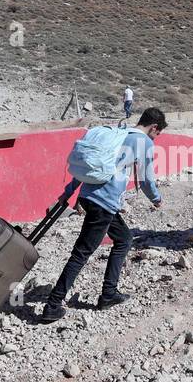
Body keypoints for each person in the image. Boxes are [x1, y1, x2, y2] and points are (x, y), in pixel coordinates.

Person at [39, 108, 165, 323]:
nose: (156, 137)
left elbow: (88, 166)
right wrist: (156, 198)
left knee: (124, 239)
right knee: (81, 253)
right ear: (154, 127)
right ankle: (53, 305)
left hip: (90, 197)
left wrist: (68, 193)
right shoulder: (143, 142)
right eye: (158, 133)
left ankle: (109, 293)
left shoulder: (117, 134)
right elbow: (145, 179)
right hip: (104, 203)